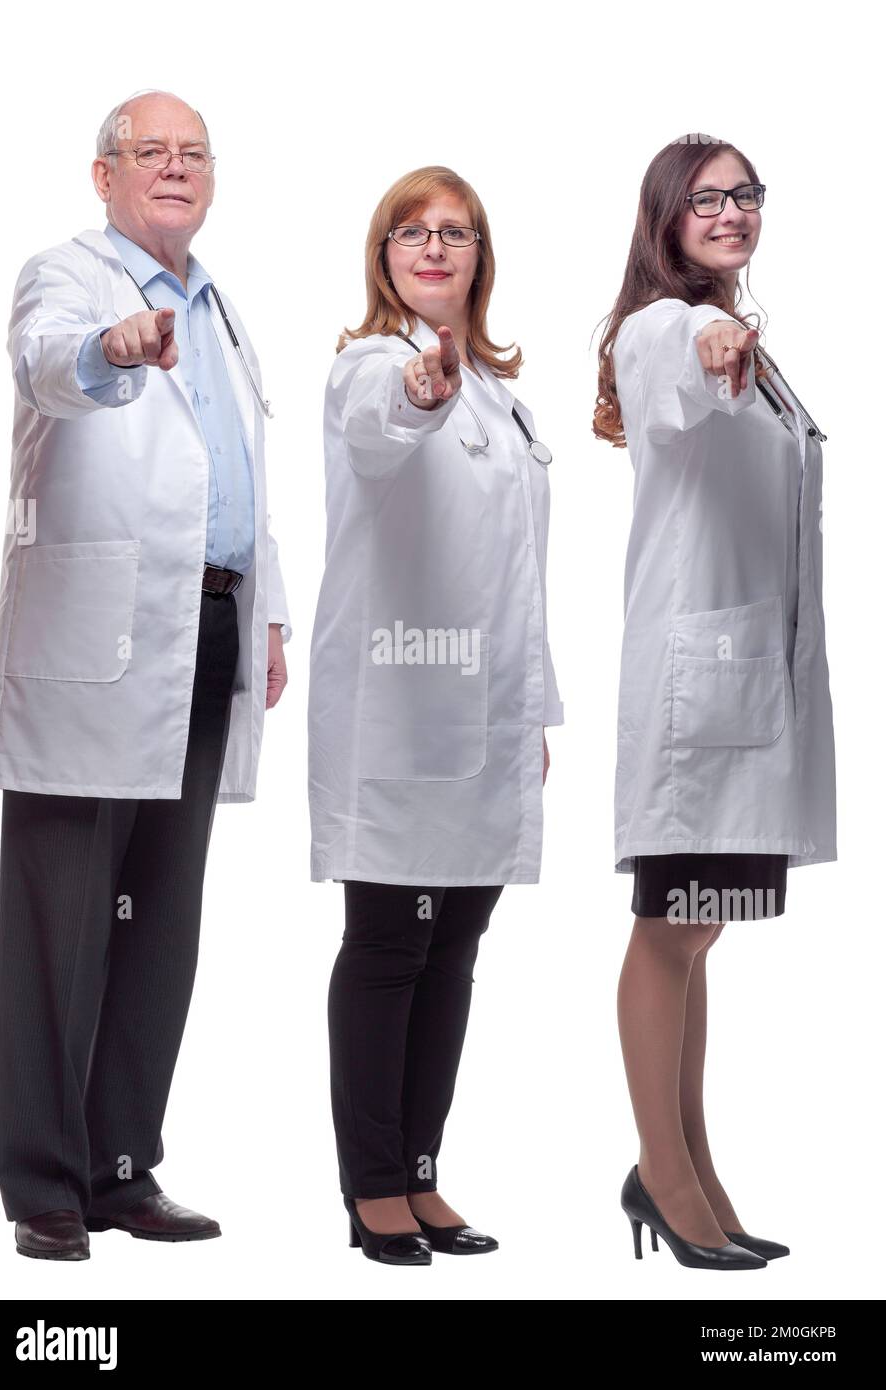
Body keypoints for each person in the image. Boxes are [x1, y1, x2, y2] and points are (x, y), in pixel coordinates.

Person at [0, 89, 290, 1260]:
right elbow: (47, 364)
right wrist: (112, 349)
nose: (174, 167)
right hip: (95, 645)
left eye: (193, 152)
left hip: (205, 628)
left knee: (158, 916)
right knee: (65, 915)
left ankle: (120, 1164)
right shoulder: (67, 277)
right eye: (148, 151)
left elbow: (238, 474)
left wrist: (270, 619)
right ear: (101, 175)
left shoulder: (217, 305)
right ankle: (45, 1180)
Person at [308, 166, 563, 1264]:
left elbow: (518, 573)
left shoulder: (504, 397)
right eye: (410, 230)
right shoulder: (371, 368)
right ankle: (371, 1186)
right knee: (388, 946)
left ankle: (420, 1169)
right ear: (382, 255)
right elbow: (381, 429)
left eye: (454, 231)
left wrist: (531, 712)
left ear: (478, 257)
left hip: (487, 716)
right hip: (402, 705)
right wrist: (421, 388)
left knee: (454, 949)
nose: (433, 246)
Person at [594, 135, 836, 1270]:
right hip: (700, 695)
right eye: (707, 199)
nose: (732, 211)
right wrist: (718, 336)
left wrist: (737, 340)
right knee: (669, 926)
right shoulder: (662, 327)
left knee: (696, 935)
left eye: (744, 195)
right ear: (666, 219)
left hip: (738, 685)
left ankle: (688, 1166)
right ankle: (666, 1177)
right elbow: (692, 351)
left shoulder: (737, 338)